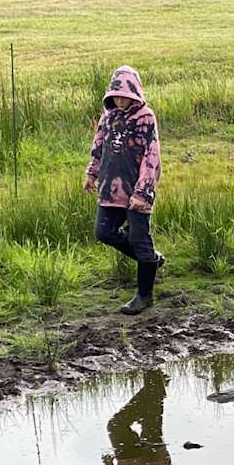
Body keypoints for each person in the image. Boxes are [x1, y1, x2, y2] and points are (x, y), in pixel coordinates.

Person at [85, 66, 164, 315]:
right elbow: (98, 146)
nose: (120, 100)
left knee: (140, 240)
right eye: (116, 96)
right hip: (110, 188)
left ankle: (144, 296)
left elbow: (152, 156)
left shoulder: (145, 117)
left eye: (124, 96)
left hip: (137, 190)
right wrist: (91, 173)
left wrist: (143, 192)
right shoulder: (108, 117)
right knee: (104, 232)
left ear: (134, 93)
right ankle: (151, 259)